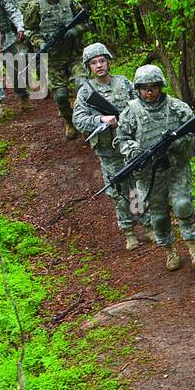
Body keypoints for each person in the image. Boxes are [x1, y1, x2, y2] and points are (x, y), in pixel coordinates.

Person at [113, 64, 195, 271]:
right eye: (144, 88)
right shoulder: (131, 113)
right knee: (159, 215)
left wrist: (176, 143)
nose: (149, 92)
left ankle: (194, 249)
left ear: (160, 86)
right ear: (137, 89)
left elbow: (194, 133)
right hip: (149, 173)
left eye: (153, 87)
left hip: (176, 167)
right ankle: (169, 251)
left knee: (183, 205)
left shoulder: (177, 107)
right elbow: (121, 139)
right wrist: (134, 150)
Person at [72, 42, 146, 249]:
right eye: (94, 63)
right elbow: (78, 120)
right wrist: (100, 120)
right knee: (118, 189)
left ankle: (146, 224)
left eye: (102, 61)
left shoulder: (124, 84)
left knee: (137, 185)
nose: (99, 66)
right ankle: (128, 231)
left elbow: (142, 107)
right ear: (89, 67)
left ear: (108, 62)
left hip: (130, 144)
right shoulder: (86, 92)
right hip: (108, 149)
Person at [24, 0, 88, 139]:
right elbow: (29, 31)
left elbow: (87, 22)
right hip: (52, 59)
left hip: (73, 55)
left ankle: (88, 119)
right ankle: (69, 121)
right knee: (60, 95)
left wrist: (76, 30)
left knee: (82, 85)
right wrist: (40, 43)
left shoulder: (70, 3)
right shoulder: (35, 7)